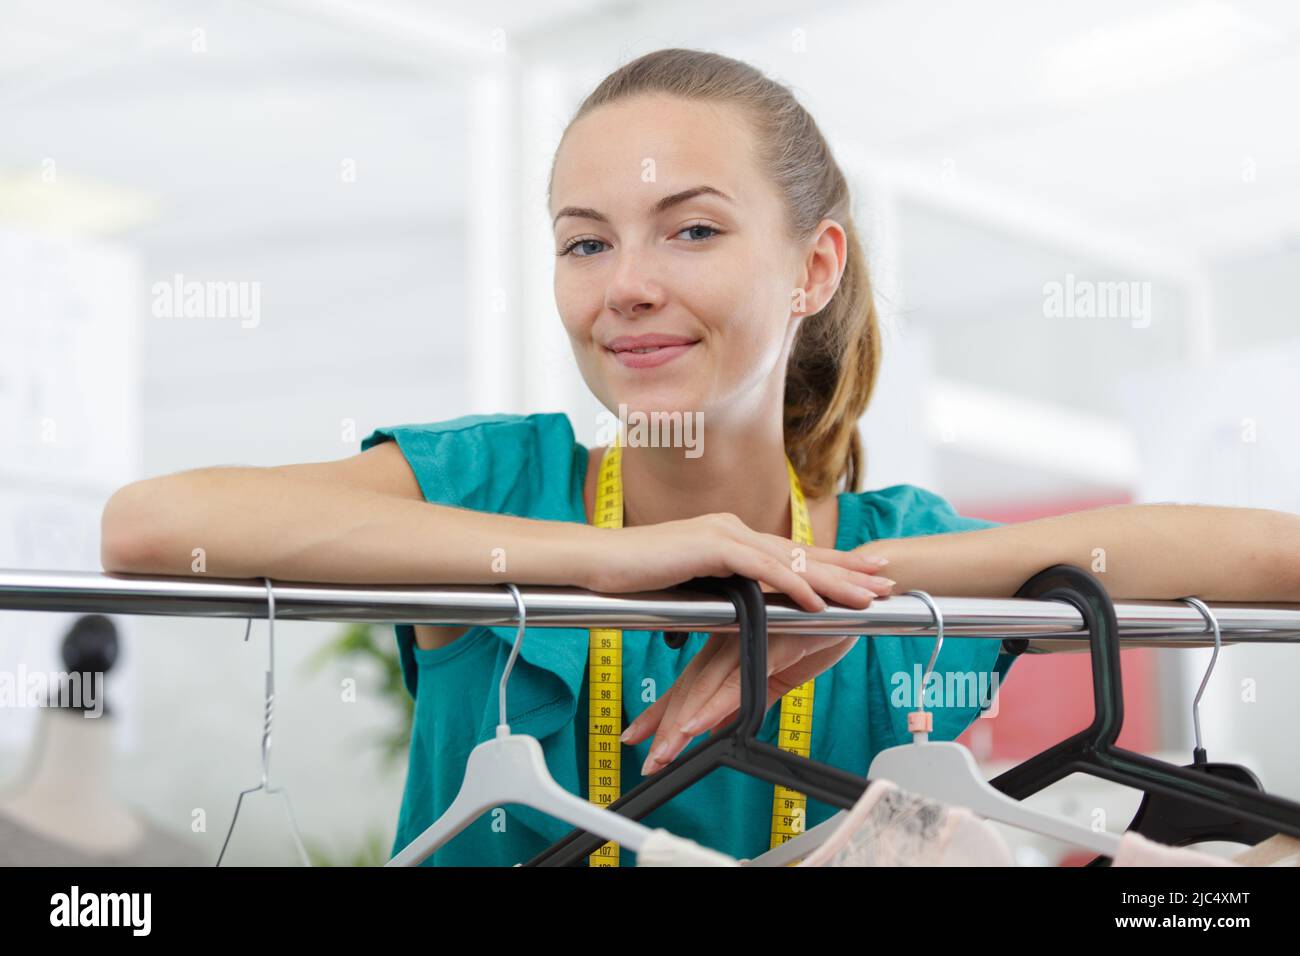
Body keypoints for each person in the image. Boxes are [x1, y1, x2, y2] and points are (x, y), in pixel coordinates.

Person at [101, 48, 1300, 867]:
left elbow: (1275, 560)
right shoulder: (496, 482)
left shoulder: (900, 570)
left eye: (693, 228)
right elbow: (152, 526)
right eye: (584, 243)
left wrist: (877, 579)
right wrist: (607, 559)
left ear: (814, 267)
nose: (626, 286)